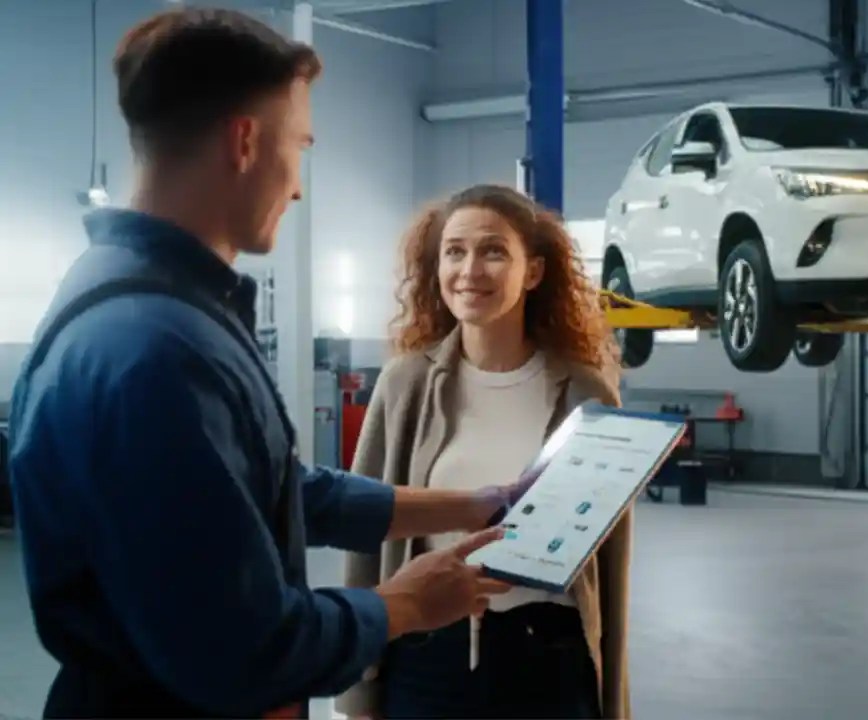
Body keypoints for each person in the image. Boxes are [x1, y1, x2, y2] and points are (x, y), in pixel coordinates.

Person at [5, 8, 516, 718]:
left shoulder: (151, 304)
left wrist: (472, 504)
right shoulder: (155, 350)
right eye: (299, 145)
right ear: (245, 141)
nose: (299, 184)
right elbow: (243, 647)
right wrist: (402, 605)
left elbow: (276, 490)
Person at [336, 184, 632, 720]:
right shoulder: (405, 384)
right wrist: (358, 690)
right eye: (455, 251)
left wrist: (615, 704)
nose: (470, 270)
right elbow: (366, 539)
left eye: (493, 251)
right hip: (426, 660)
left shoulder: (586, 393)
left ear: (534, 272)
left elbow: (609, 569)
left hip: (551, 661)